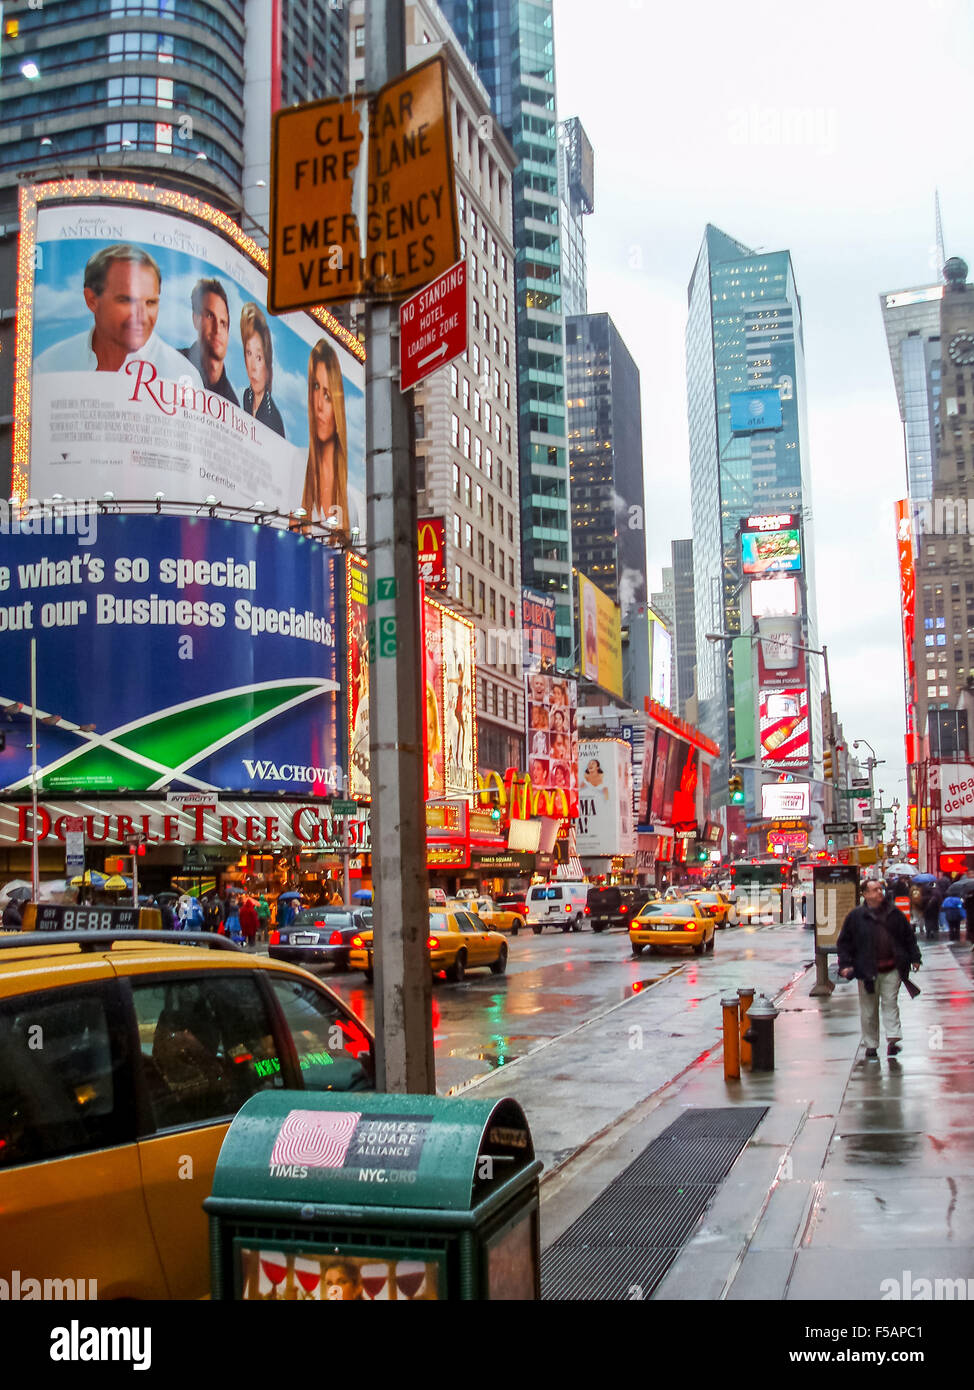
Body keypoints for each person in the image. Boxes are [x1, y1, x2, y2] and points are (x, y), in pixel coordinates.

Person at [34, 243, 201, 381]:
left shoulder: (181, 375)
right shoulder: (49, 366)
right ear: (91, 300)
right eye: (127, 300)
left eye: (150, 302)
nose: (141, 317)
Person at [837, 878, 922, 1059]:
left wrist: (915, 958)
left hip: (892, 967)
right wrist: (845, 965)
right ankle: (871, 1045)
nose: (879, 892)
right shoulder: (856, 917)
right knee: (869, 1008)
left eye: (880, 889)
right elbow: (844, 942)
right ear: (865, 894)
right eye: (874, 890)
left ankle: (892, 1039)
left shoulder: (894, 913)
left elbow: (907, 936)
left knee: (890, 1002)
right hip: (866, 970)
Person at [302, 338, 355, 530]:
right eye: (315, 387)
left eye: (327, 395)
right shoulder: (297, 466)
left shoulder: (351, 505)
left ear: (338, 406)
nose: (319, 405)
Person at [181, 278, 239, 404]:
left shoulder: (232, 404)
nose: (217, 329)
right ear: (195, 319)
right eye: (209, 316)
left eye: (223, 323)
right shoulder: (172, 363)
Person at [240, 302, 285, 437]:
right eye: (249, 353)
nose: (252, 367)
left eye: (259, 358)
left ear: (268, 362)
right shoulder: (247, 396)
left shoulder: (273, 419)